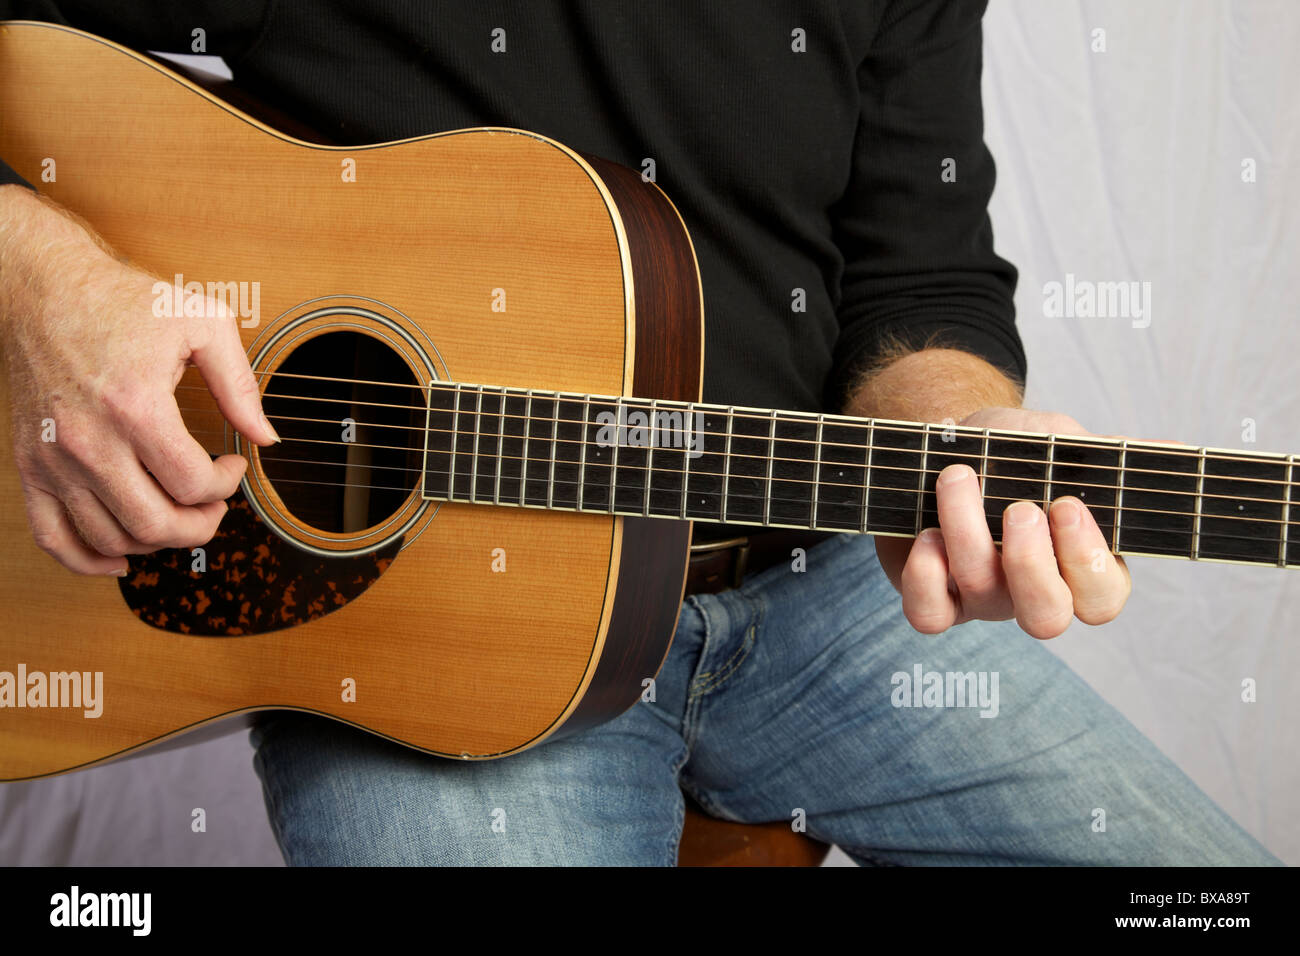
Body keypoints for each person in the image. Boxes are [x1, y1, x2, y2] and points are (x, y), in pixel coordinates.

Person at [0, 0, 1278, 865]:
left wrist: (953, 440)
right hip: (434, 646)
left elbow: (919, 281)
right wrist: (41, 282)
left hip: (819, 593)